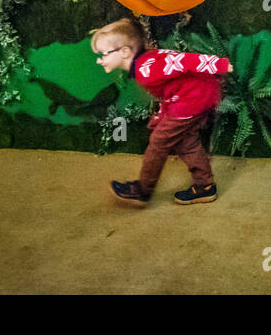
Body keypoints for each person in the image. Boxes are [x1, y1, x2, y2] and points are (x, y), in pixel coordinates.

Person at [93, 17, 231, 206]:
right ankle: (205, 187)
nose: (100, 60)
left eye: (103, 54)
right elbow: (172, 88)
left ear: (125, 52)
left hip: (192, 100)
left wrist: (218, 64)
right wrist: (162, 114)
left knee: (158, 142)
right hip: (195, 96)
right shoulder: (146, 63)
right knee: (186, 141)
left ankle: (143, 190)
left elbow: (182, 60)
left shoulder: (146, 69)